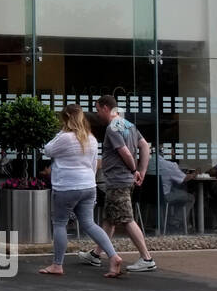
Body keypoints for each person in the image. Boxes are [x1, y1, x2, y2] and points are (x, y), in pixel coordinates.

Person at [38, 105, 124, 278]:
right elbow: (94, 164)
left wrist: (61, 132)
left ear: (66, 119)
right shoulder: (90, 138)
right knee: (89, 223)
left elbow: (47, 149)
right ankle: (113, 256)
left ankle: (57, 264)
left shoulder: (65, 137)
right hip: (88, 185)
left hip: (66, 186)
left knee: (60, 223)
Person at [81, 95, 157, 272]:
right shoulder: (127, 125)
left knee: (126, 219)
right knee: (110, 219)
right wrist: (142, 171)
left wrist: (134, 170)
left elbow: (125, 153)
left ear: (106, 108)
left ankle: (147, 258)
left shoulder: (112, 128)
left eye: (98, 110)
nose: (98, 114)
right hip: (123, 180)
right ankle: (96, 254)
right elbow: (145, 146)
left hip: (118, 180)